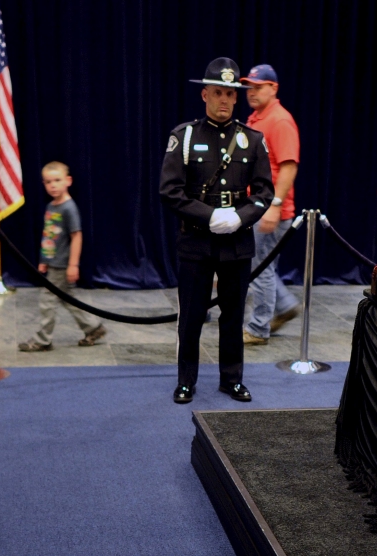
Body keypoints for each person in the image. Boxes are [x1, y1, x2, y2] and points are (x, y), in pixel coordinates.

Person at [160, 57, 274, 404]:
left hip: (236, 242)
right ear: (205, 95)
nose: (224, 100)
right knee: (192, 315)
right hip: (196, 239)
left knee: (233, 314)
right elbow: (170, 191)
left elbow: (265, 192)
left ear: (237, 98)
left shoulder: (251, 139)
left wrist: (242, 217)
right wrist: (208, 215)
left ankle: (231, 378)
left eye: (230, 94)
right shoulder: (185, 136)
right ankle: (186, 380)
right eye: (217, 93)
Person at [239, 64, 301, 346]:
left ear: (273, 88)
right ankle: (285, 305)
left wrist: (275, 205)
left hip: (269, 208)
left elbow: (288, 166)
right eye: (249, 87)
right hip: (257, 206)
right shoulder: (257, 119)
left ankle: (257, 328)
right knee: (263, 266)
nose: (251, 92)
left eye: (257, 86)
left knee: (260, 269)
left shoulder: (279, 121)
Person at [18, 162, 106, 351]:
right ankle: (93, 327)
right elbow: (50, 236)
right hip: (53, 263)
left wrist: (73, 265)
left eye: (57, 180)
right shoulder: (51, 206)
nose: (53, 185)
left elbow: (76, 236)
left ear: (68, 181)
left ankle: (42, 339)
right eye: (48, 182)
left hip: (63, 265)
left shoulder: (69, 208)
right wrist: (44, 261)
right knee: (68, 299)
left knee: (47, 301)